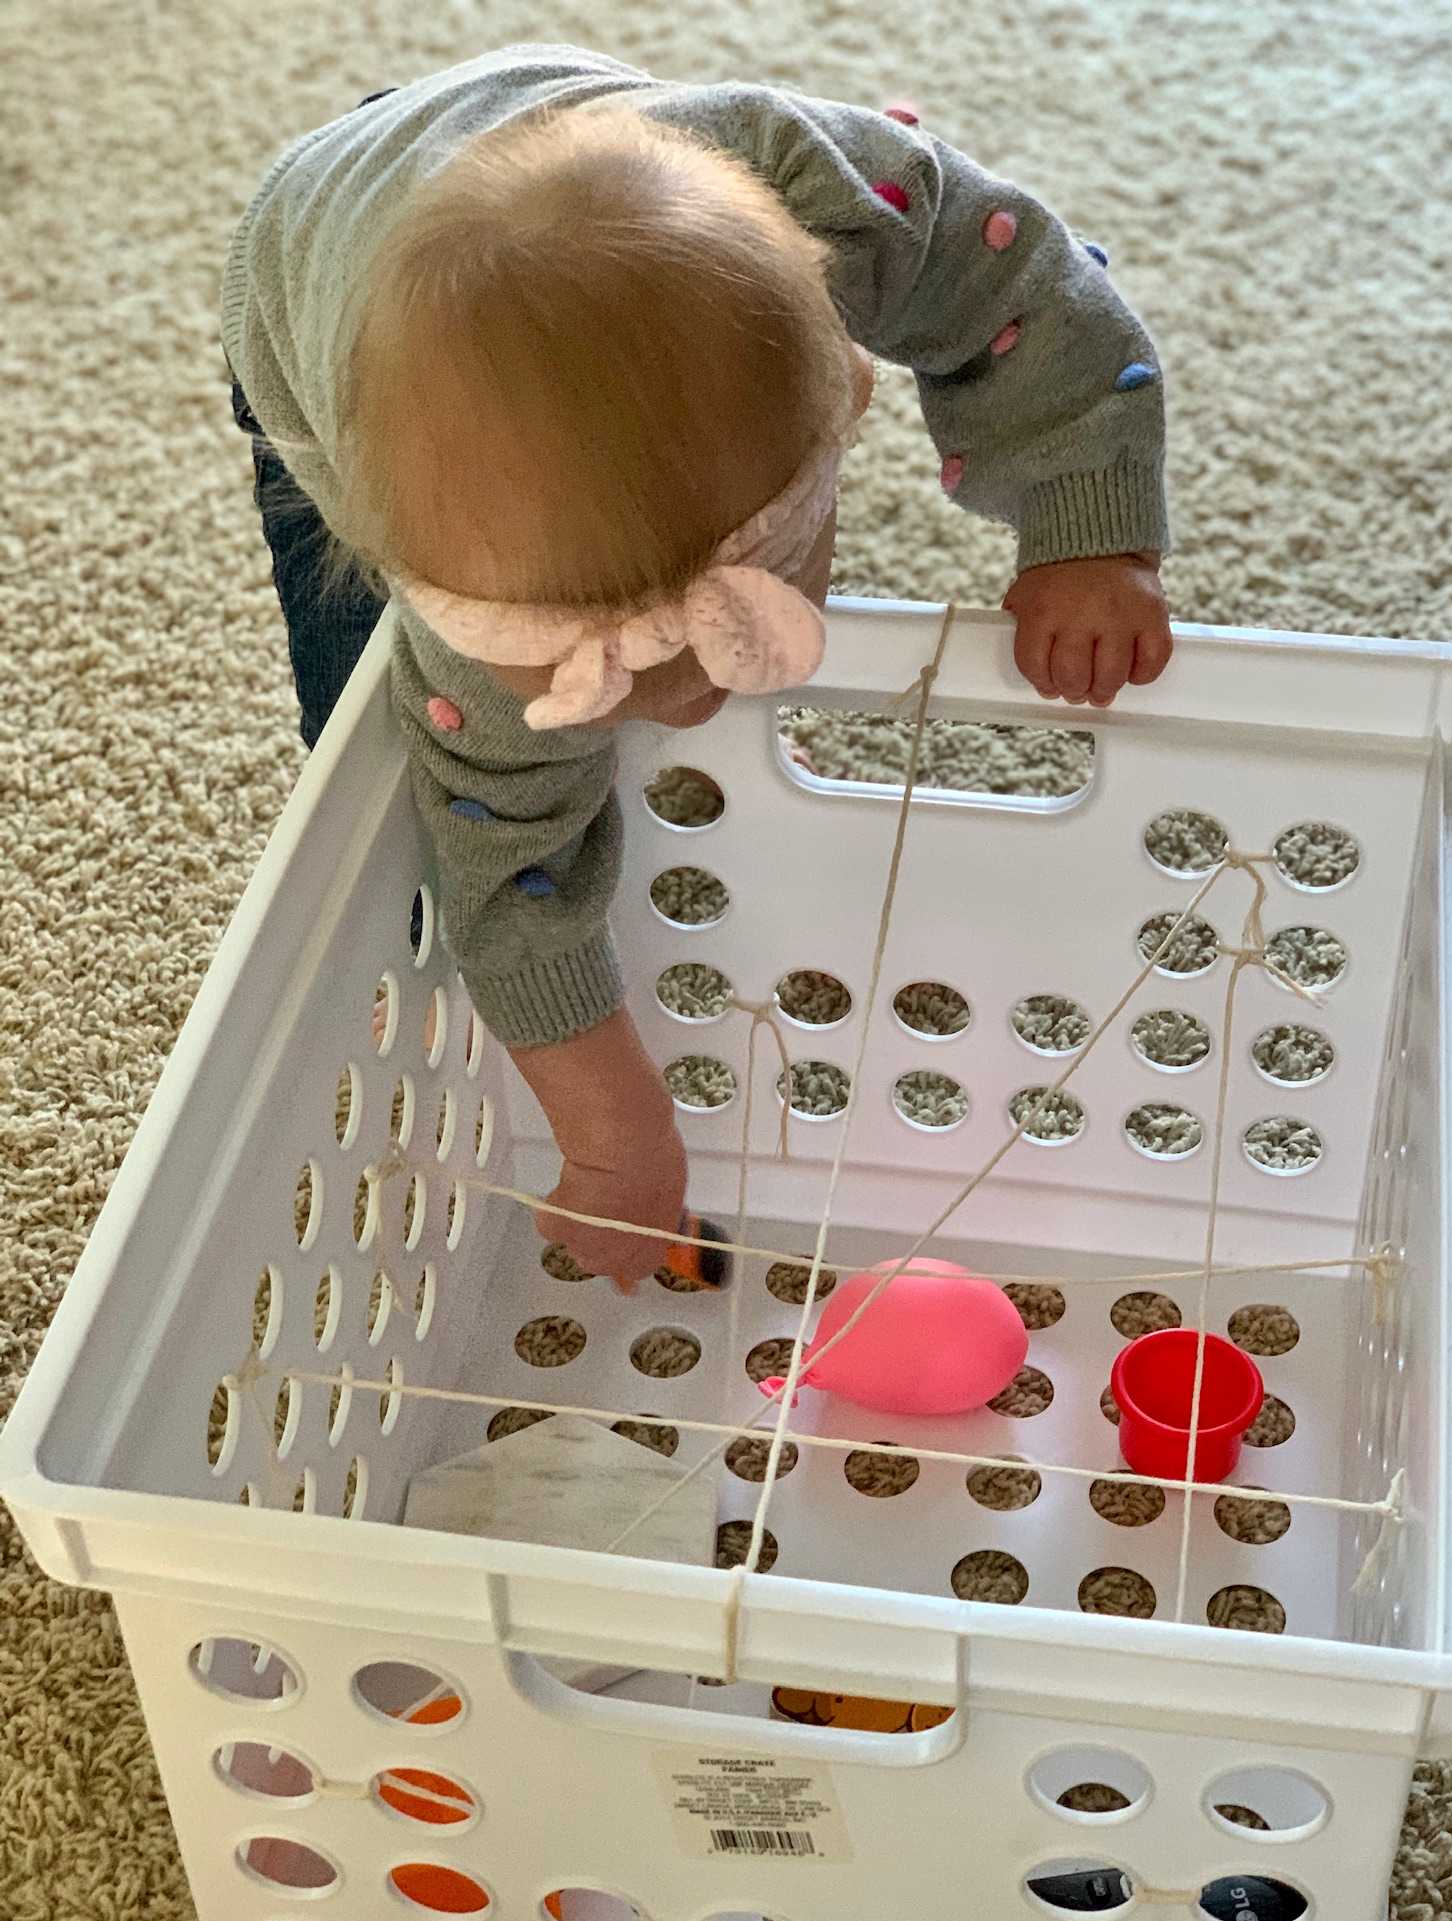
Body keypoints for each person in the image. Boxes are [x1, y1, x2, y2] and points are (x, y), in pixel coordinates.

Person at [223, 45, 1173, 1285]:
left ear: (839, 388)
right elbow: (511, 869)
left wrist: (1088, 527)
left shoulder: (839, 199)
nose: (684, 700)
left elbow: (1027, 296)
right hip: (309, 261)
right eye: (613, 660)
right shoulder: (465, 594)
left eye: (721, 624)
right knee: (401, 744)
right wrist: (618, 1142)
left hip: (584, 145)